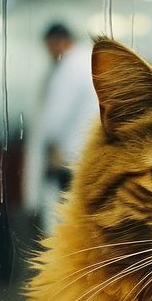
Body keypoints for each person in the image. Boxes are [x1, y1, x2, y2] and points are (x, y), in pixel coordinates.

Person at [23, 23, 99, 234]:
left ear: (60, 41)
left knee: (65, 223)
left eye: (50, 46)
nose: (50, 53)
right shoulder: (91, 59)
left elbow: (53, 121)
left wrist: (47, 145)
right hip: (91, 155)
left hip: (69, 159)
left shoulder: (69, 67)